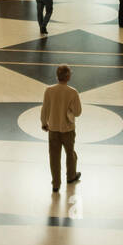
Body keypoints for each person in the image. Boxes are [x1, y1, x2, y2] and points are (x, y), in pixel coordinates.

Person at [40, 64, 82, 193]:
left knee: (54, 156)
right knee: (70, 153)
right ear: (68, 77)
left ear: (57, 76)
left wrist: (44, 123)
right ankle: (71, 176)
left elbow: (45, 108)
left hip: (53, 129)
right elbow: (78, 112)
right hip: (68, 129)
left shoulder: (49, 90)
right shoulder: (73, 92)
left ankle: (56, 184)